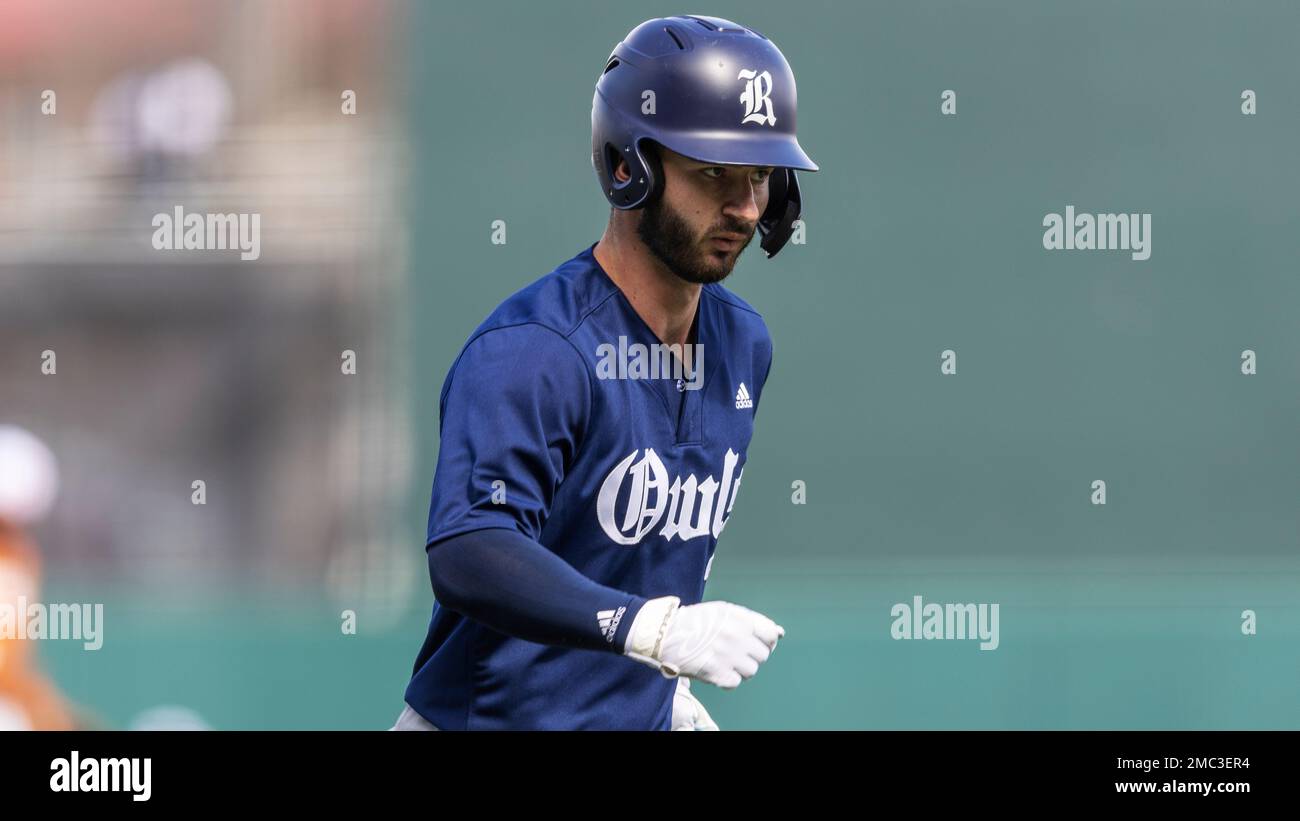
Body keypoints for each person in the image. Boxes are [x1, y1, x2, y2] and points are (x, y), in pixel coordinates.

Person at [395, 14, 818, 730]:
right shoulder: (536, 350)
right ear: (629, 165)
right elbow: (470, 549)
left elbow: (636, 557)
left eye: (760, 175)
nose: (744, 207)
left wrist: (655, 690)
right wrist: (655, 632)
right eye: (713, 171)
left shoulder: (743, 344)